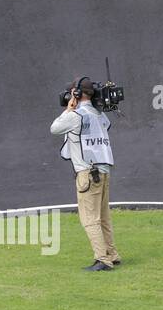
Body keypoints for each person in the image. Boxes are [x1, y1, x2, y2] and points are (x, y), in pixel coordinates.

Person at [50, 77, 120, 272]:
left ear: (76, 94)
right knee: (103, 217)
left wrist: (69, 108)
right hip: (103, 171)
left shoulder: (75, 116)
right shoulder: (99, 115)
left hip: (87, 173)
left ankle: (102, 259)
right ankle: (112, 255)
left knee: (89, 219)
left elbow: (55, 128)